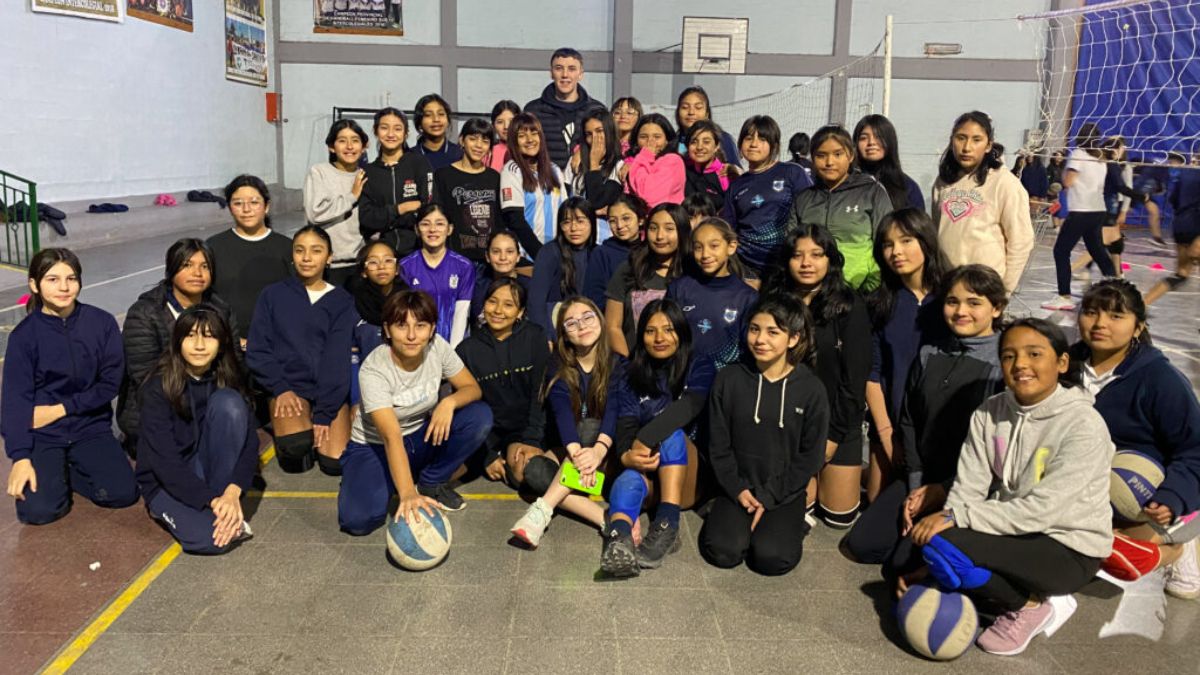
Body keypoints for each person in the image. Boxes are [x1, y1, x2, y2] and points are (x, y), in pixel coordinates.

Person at [910, 318, 1113, 656]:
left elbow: (1043, 511)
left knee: (944, 545)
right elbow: (968, 487)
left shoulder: (1083, 424)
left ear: (1061, 362)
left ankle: (1030, 605)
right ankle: (1013, 588)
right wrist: (952, 517)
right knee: (934, 549)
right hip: (1014, 530)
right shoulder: (990, 412)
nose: (1020, 365)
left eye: (1035, 354)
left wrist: (957, 518)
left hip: (1069, 546)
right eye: (1009, 356)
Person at [843, 264, 1006, 573]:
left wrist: (942, 489)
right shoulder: (930, 352)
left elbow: (995, 449)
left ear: (996, 308)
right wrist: (917, 481)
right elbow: (909, 419)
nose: (961, 311)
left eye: (974, 303)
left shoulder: (1001, 364)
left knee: (902, 566)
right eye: (952, 301)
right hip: (920, 476)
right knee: (863, 545)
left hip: (968, 487)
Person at [1068, 280, 1200, 597]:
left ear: (1138, 327)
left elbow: (1195, 448)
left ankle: (1178, 545)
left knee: (1111, 553)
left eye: (1116, 316)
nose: (1100, 324)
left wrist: (1173, 497)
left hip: (1139, 487)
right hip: (1077, 480)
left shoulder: (1160, 379)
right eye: (1090, 312)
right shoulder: (1064, 365)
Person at [338, 291, 493, 533]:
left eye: (420, 326)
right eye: (401, 326)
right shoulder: (374, 370)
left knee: (479, 416)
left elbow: (472, 388)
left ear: (431, 329)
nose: (411, 335)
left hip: (420, 436)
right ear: (387, 330)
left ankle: (430, 481)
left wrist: (448, 403)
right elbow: (391, 436)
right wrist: (408, 494)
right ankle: (386, 478)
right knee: (358, 521)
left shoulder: (437, 347)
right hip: (374, 445)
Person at [3, 248, 138, 524]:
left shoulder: (101, 323)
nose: (64, 287)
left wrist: (61, 409)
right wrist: (20, 458)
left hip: (89, 426)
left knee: (122, 494)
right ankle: (53, 469)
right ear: (34, 285)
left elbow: (110, 382)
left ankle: (68, 469)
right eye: (52, 279)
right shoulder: (24, 337)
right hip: (43, 433)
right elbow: (15, 400)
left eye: (71, 278)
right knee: (39, 512)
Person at [699, 294, 830, 576]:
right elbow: (718, 445)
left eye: (773, 332)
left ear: (793, 339)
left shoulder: (811, 389)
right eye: (755, 329)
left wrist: (771, 496)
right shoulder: (729, 379)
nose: (760, 339)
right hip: (737, 486)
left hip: (783, 490)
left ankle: (796, 521)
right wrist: (737, 489)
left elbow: (811, 455)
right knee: (723, 552)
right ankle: (726, 513)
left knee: (772, 559)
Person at [764, 226, 871, 529]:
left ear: (830, 260)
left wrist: (834, 435)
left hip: (837, 419)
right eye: (797, 255)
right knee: (799, 504)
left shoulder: (849, 305)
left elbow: (855, 380)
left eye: (816, 255)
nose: (806, 263)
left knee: (839, 518)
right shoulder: (775, 302)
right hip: (790, 420)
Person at [601, 299, 714, 576]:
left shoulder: (699, 364)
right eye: (650, 331)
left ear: (681, 332)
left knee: (671, 433)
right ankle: (619, 537)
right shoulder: (628, 371)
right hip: (647, 474)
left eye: (668, 329)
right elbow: (625, 420)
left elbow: (690, 406)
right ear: (641, 336)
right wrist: (627, 454)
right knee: (627, 478)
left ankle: (667, 523)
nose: (659, 338)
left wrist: (644, 439)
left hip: (686, 476)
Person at [136, 306, 258, 554]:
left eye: (209, 336)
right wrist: (211, 500)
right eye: (191, 336)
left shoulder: (229, 379)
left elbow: (249, 443)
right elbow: (165, 462)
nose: (200, 345)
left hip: (210, 474)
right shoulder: (158, 387)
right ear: (178, 341)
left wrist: (232, 493)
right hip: (166, 480)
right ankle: (201, 510)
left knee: (230, 404)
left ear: (221, 343)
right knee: (210, 541)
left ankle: (219, 507)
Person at [509, 297, 622, 548]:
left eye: (587, 317)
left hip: (604, 455)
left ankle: (542, 510)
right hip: (574, 455)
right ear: (565, 335)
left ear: (601, 320)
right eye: (571, 323)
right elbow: (561, 411)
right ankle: (603, 517)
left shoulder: (617, 363)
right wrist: (579, 455)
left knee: (591, 426)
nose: (581, 326)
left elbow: (613, 412)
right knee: (534, 471)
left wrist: (597, 452)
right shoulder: (556, 365)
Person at [246, 225, 357, 476]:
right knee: (295, 450)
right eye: (300, 250)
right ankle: (298, 426)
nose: (307, 258)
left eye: (316, 251)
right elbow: (258, 350)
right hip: (288, 386)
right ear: (292, 255)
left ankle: (329, 417)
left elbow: (336, 359)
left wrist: (326, 412)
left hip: (327, 389)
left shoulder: (342, 300)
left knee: (335, 463)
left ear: (329, 257)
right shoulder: (272, 295)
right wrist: (280, 388)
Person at [864, 209, 951, 502]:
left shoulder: (953, 298)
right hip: (892, 424)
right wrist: (887, 433)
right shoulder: (880, 303)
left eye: (906, 240)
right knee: (873, 521)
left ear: (926, 241)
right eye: (887, 245)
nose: (896, 252)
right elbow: (872, 374)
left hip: (943, 429)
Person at [118, 239, 233, 457]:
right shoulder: (145, 313)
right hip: (159, 408)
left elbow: (232, 363)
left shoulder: (220, 309)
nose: (197, 273)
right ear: (171, 269)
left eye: (205, 266)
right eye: (187, 265)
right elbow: (145, 377)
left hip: (206, 399)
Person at [455, 278, 549, 489]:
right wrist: (486, 456)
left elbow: (540, 393)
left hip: (531, 427)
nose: (498, 310)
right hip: (496, 433)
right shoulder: (466, 350)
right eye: (492, 302)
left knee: (532, 475)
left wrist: (532, 440)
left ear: (520, 312)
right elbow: (468, 410)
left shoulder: (535, 336)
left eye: (508, 305)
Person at [930, 111, 1035, 295]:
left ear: (988, 145)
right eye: (961, 138)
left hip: (985, 290)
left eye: (976, 139)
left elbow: (1021, 241)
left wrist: (1004, 290)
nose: (967, 147)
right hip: (949, 286)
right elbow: (938, 230)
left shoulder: (1004, 183)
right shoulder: (943, 182)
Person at [785, 124, 892, 291]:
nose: (829, 162)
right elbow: (791, 245)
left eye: (837, 154)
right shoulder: (803, 199)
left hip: (861, 293)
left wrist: (871, 288)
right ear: (812, 158)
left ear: (850, 156)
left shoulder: (872, 191)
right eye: (821, 155)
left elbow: (886, 241)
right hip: (812, 293)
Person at [724, 115, 813, 276]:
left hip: (786, 267)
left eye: (762, 139)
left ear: (775, 146)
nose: (753, 144)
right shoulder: (735, 187)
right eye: (748, 138)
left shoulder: (792, 173)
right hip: (747, 269)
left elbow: (810, 215)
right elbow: (729, 230)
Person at [206, 174, 291, 340]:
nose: (246, 209)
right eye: (238, 203)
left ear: (266, 206)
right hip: (227, 342)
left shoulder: (286, 247)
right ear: (230, 207)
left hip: (275, 342)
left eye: (254, 202)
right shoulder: (214, 246)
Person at [668, 218, 758, 371]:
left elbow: (748, 349)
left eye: (714, 246)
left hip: (724, 383)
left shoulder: (747, 297)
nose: (705, 254)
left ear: (731, 246)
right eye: (698, 247)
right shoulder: (679, 288)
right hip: (682, 379)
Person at [1044, 123, 1115, 311]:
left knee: (1060, 251)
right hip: (1098, 210)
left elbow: (1068, 182)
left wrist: (1062, 176)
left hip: (1082, 210)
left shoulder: (1078, 155)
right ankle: (1116, 285)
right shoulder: (1101, 158)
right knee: (1097, 250)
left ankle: (1064, 296)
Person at [607, 202, 690, 356]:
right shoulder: (630, 268)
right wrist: (628, 365)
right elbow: (613, 326)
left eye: (669, 229)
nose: (659, 236)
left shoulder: (692, 273)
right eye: (653, 228)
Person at [359, 107, 434, 260]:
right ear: (375, 131)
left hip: (418, 253)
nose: (391, 134)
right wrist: (401, 209)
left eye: (397, 129)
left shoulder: (419, 164)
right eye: (384, 128)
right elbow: (367, 218)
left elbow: (428, 208)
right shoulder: (368, 172)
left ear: (406, 133)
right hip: (382, 257)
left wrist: (386, 220)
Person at [304, 119, 369, 286]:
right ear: (331, 147)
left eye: (355, 140)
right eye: (342, 140)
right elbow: (315, 213)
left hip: (359, 263)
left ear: (364, 146)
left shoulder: (365, 176)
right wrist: (352, 197)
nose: (349, 146)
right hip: (329, 265)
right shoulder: (319, 172)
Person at [400, 204, 475, 347]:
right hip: (416, 345)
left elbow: (462, 312)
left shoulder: (464, 266)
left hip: (452, 345)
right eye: (425, 224)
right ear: (417, 229)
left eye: (440, 224)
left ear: (450, 229)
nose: (432, 230)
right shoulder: (405, 266)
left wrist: (453, 353)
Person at [523, 47, 607, 169]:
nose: (565, 75)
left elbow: (607, 146)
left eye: (572, 69)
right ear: (551, 73)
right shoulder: (533, 110)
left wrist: (582, 152)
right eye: (559, 68)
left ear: (581, 74)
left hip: (585, 181)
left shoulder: (596, 109)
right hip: (545, 182)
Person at [528, 197, 598, 344]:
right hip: (557, 331)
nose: (573, 228)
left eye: (580, 221)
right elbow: (536, 301)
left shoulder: (598, 254)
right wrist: (545, 338)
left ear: (592, 223)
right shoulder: (549, 252)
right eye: (566, 222)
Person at [433, 117, 501, 266]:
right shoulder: (444, 175)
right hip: (455, 258)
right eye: (473, 139)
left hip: (488, 260)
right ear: (462, 140)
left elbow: (499, 220)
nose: (479, 145)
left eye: (485, 141)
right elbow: (438, 215)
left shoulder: (494, 177)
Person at [499, 112, 567, 258]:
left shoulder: (554, 170)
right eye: (522, 136)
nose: (530, 140)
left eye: (534, 133)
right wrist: (541, 256)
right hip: (528, 256)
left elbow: (566, 213)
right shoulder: (512, 170)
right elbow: (515, 221)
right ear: (514, 141)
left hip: (558, 254)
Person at [1144, 160, 1200, 306]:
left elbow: (1173, 199)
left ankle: (1141, 306)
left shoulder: (1187, 172)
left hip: (1180, 225)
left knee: (1181, 274)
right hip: (1196, 226)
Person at [564, 109, 625, 230]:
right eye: (589, 134)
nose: (595, 138)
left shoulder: (620, 166)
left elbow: (597, 202)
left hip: (605, 235)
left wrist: (594, 163)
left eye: (599, 131)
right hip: (576, 232)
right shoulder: (575, 162)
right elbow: (565, 200)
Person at [583, 193, 644, 309]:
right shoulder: (601, 253)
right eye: (612, 221)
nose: (619, 225)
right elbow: (594, 297)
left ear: (640, 220)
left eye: (626, 218)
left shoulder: (650, 251)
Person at [854, 114, 924, 211]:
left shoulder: (907, 186)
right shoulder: (847, 182)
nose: (871, 142)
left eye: (878, 136)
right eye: (863, 138)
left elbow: (917, 224)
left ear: (890, 141)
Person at [620, 113, 685, 208]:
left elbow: (648, 196)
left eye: (657, 137)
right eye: (643, 137)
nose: (650, 142)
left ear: (667, 140)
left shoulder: (673, 161)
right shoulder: (629, 162)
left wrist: (644, 157)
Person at [469, 230, 531, 326]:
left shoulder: (531, 287)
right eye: (496, 252)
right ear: (487, 256)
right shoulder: (476, 284)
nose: (503, 257)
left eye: (509, 252)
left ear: (518, 256)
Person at [674, 86, 740, 167]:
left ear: (707, 113)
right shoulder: (672, 142)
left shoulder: (723, 139)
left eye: (698, 107)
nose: (691, 112)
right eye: (685, 107)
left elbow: (735, 173)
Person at [684, 119, 732, 200]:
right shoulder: (682, 169)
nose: (699, 147)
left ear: (717, 146)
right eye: (694, 142)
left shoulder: (725, 174)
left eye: (706, 142)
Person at [413, 93, 463, 170]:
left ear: (448, 120)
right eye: (428, 115)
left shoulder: (460, 155)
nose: (436, 119)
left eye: (441, 114)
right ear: (419, 124)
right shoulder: (410, 156)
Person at [487, 100, 521, 172]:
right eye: (500, 122)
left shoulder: (528, 149)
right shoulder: (487, 152)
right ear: (493, 126)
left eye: (511, 121)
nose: (506, 126)